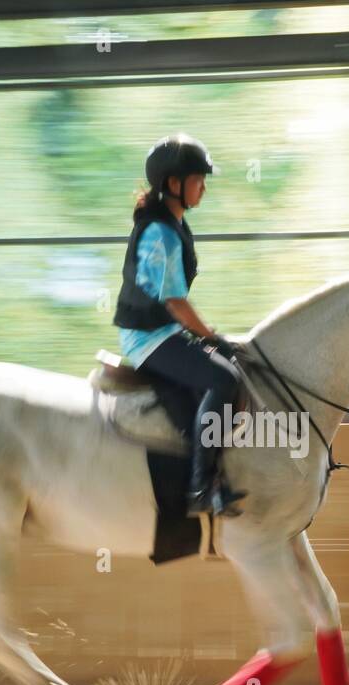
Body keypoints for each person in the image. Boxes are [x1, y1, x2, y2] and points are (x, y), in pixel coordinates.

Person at [112, 133, 247, 518]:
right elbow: (173, 301)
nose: (204, 186)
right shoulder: (160, 233)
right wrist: (210, 337)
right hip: (147, 339)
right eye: (197, 178)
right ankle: (201, 487)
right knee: (224, 380)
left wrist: (207, 336)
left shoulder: (174, 224)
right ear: (174, 184)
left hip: (163, 332)